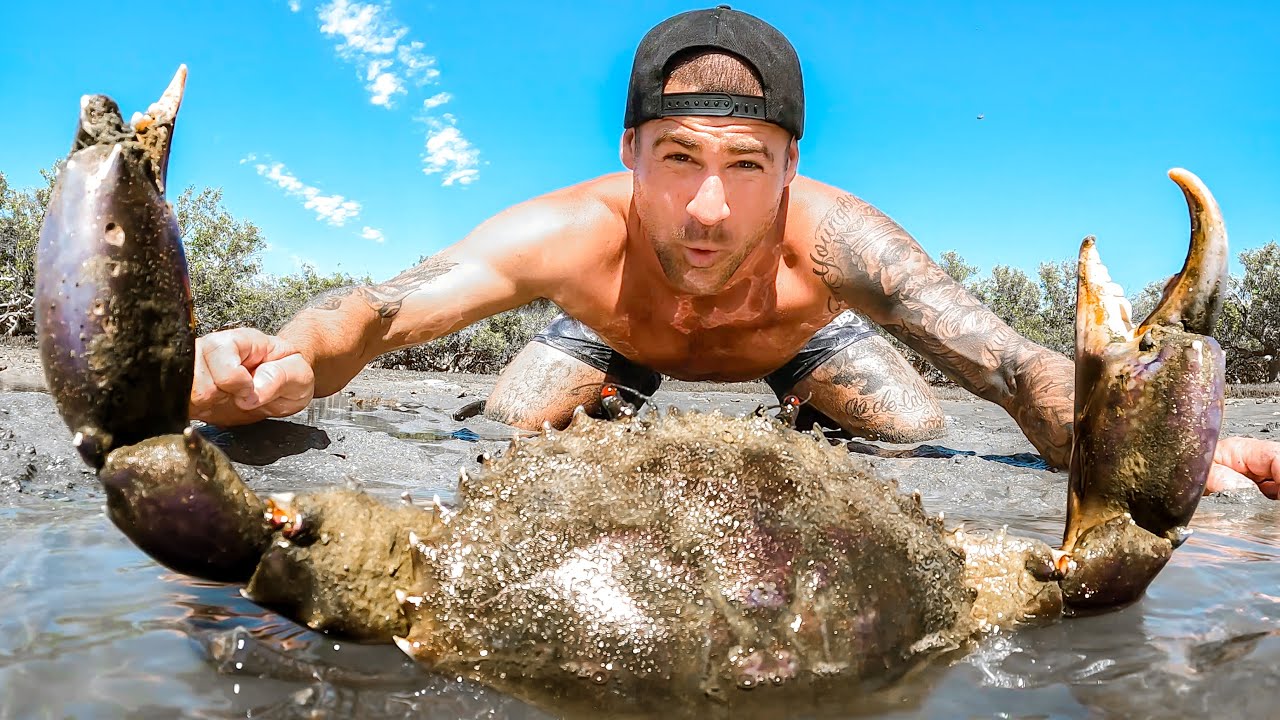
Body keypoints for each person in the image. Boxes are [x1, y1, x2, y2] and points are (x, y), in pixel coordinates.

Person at [189, 6, 1280, 497]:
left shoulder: (839, 238)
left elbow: (1006, 364)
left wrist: (1150, 440)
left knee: (913, 427)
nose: (707, 206)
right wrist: (279, 360)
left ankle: (801, 404)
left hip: (800, 343)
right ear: (628, 151)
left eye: (747, 163)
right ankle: (613, 392)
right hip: (608, 334)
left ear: (792, 165)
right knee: (505, 430)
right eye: (676, 155)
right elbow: (377, 312)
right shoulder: (568, 230)